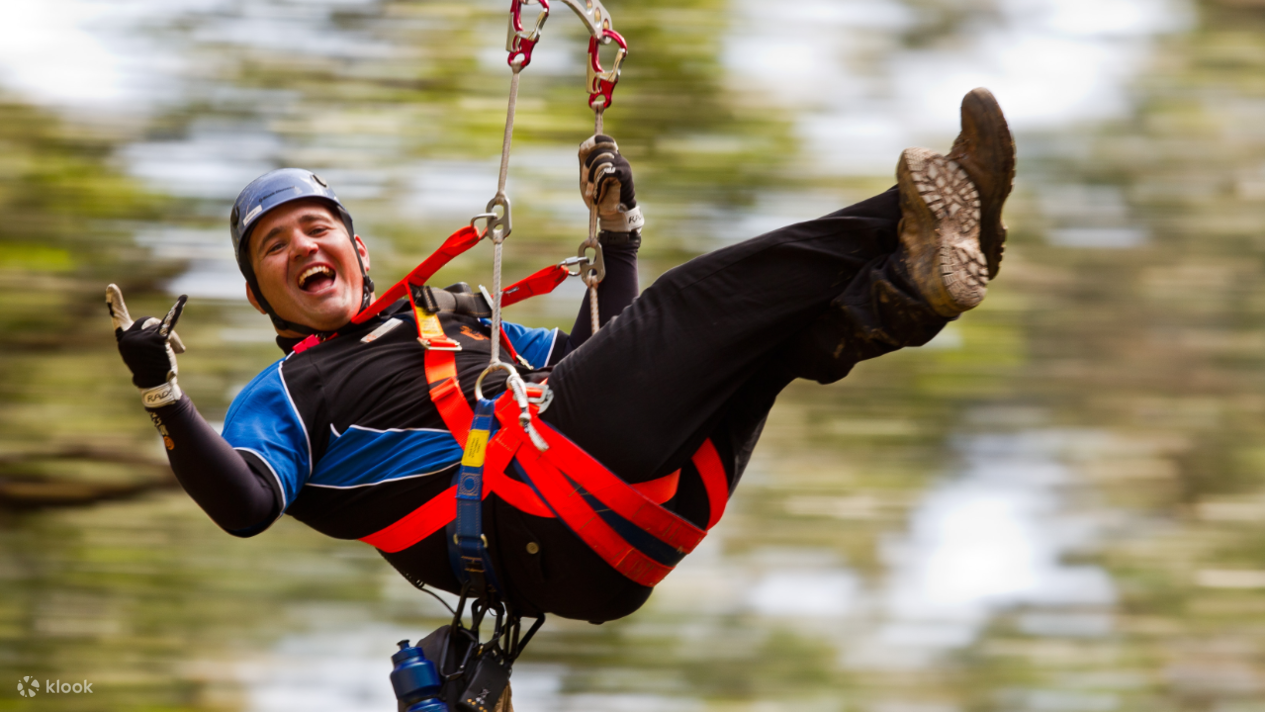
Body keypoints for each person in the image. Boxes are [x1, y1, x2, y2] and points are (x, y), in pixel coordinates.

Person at [112, 88, 1015, 623]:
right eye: (275, 247)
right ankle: (921, 209)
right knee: (700, 302)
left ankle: (912, 286)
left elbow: (608, 357)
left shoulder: (453, 331)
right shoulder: (284, 394)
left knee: (759, 342)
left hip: (633, 510)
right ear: (257, 294)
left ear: (359, 252)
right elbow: (244, 507)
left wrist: (615, 236)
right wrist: (164, 396)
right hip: (540, 515)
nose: (305, 249)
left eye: (318, 229)